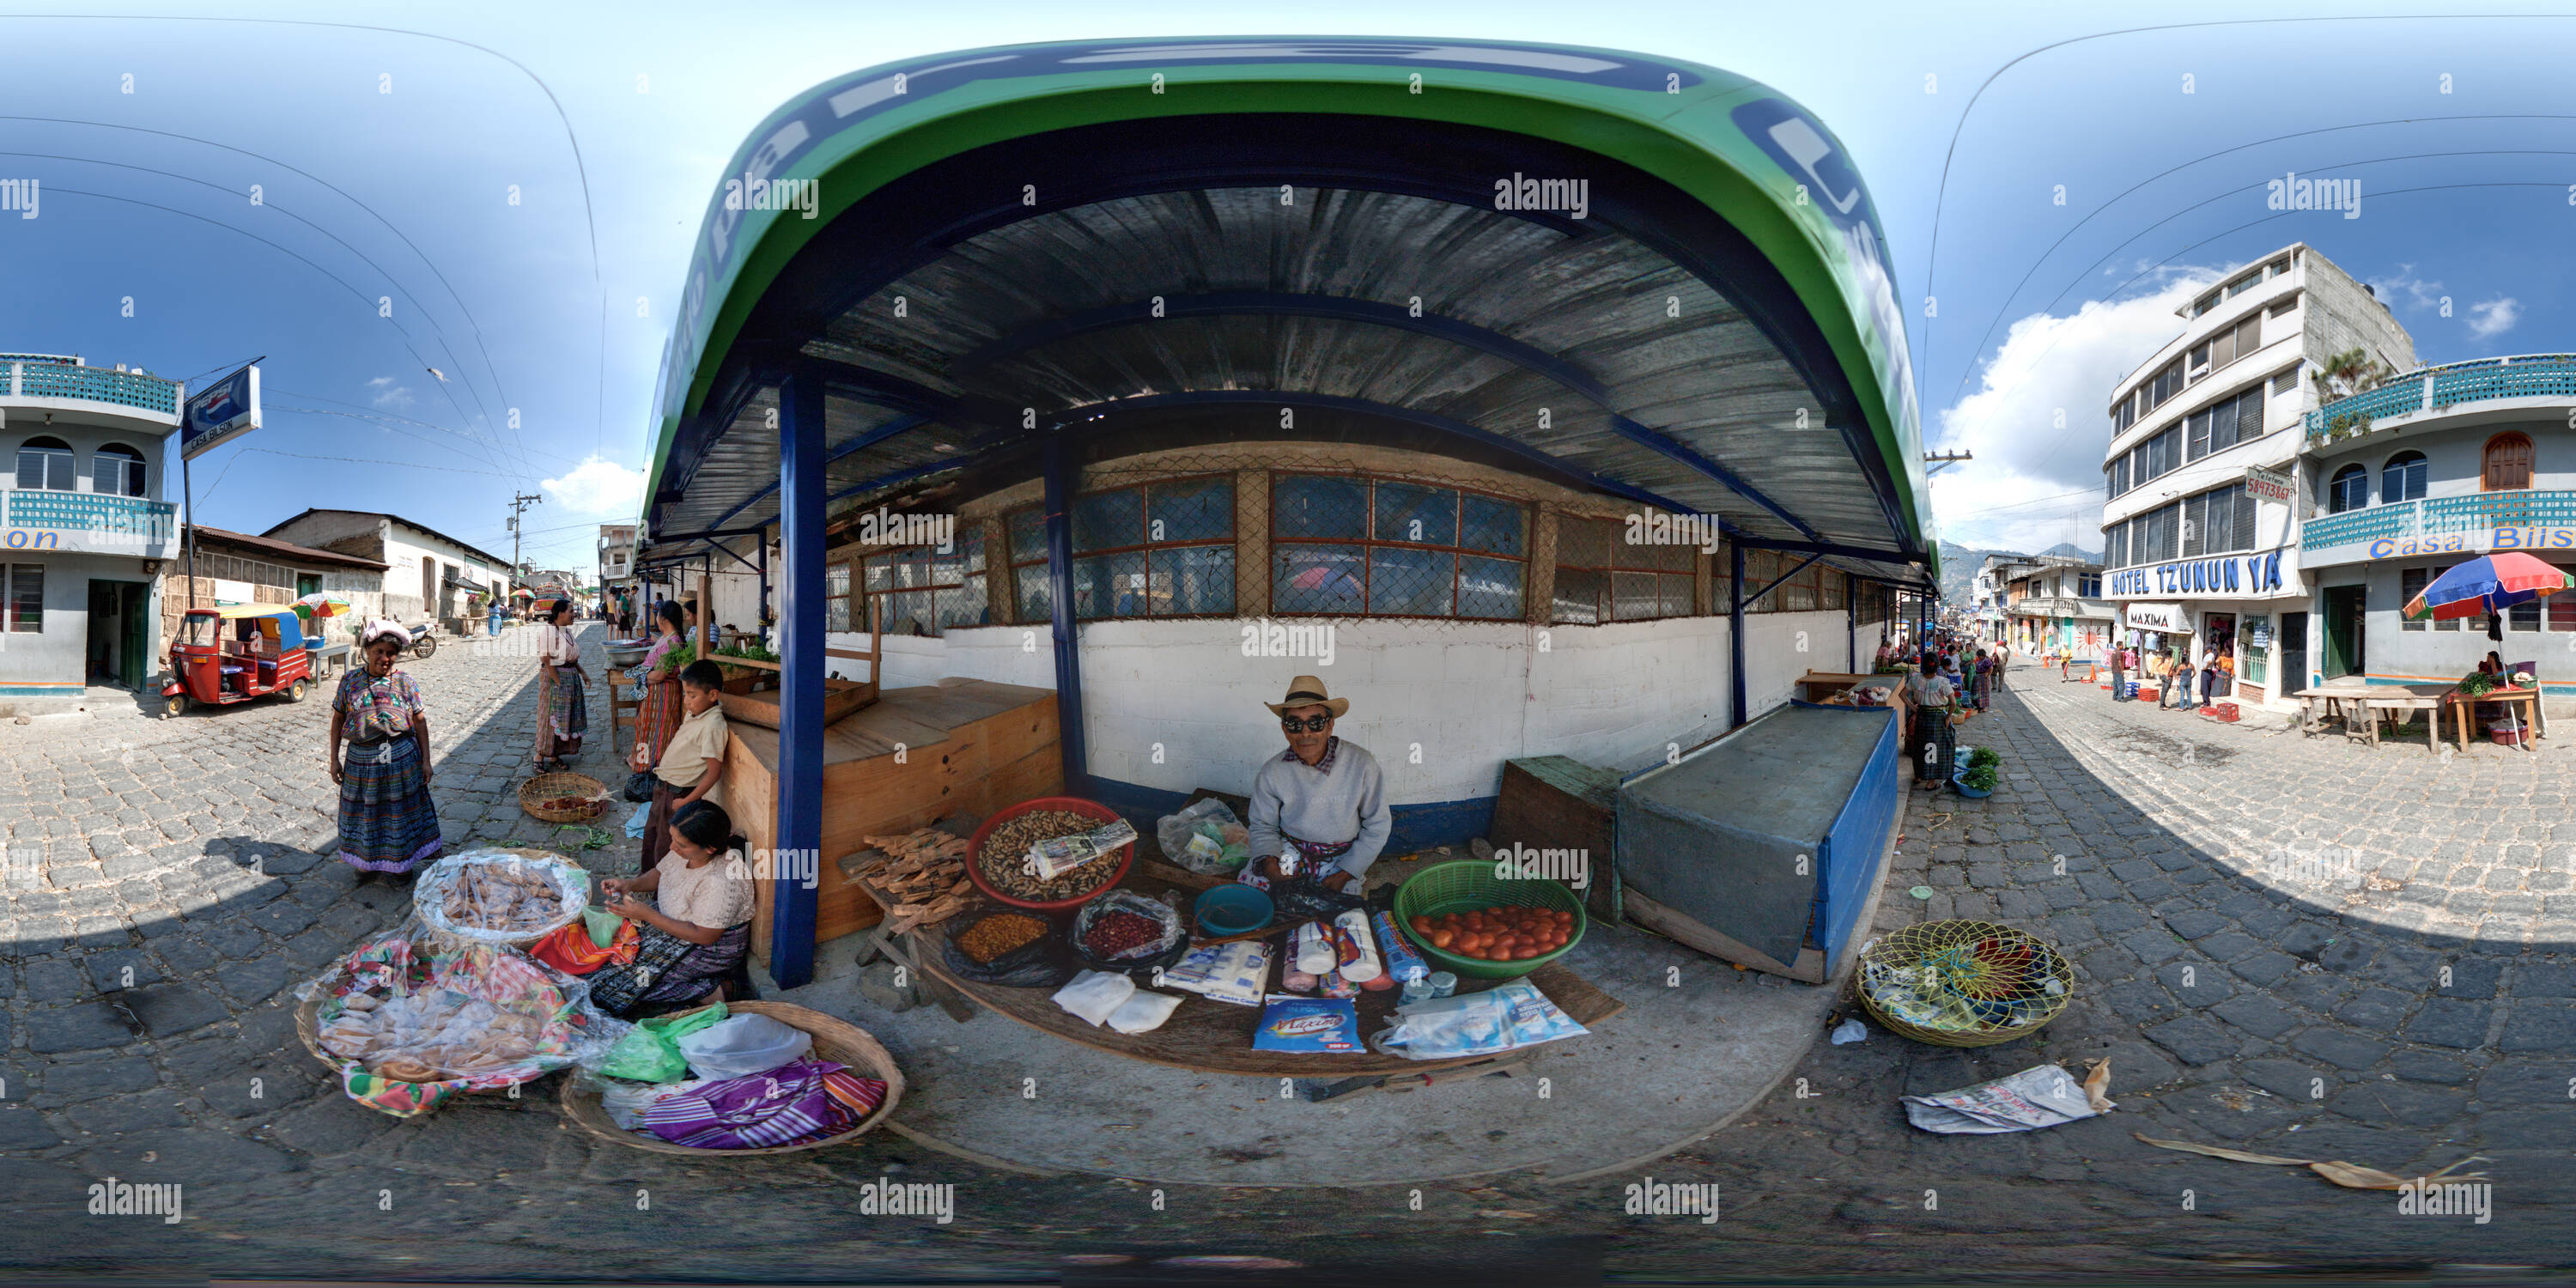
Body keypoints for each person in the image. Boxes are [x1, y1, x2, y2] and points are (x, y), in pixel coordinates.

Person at [592, 799, 756, 1018]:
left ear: (710, 848)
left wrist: (648, 915)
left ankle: (714, 991)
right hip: (670, 921)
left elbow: (706, 935)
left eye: (681, 844)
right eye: (673, 839)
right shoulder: (689, 849)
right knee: (608, 958)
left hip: (708, 948)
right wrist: (629, 885)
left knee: (624, 985)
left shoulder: (722, 881)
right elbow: (661, 873)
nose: (672, 847)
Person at [1244, 675, 1391, 894]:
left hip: (1343, 857)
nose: (1305, 733)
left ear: (1329, 726)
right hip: (1290, 849)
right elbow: (1263, 826)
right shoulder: (1271, 772)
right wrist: (1272, 869)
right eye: (1295, 724)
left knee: (1340, 915)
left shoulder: (1362, 764)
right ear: (1285, 729)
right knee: (1255, 893)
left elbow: (1378, 825)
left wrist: (1345, 873)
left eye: (1315, 723)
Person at [327, 620, 442, 879]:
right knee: (365, 814)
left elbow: (419, 721)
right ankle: (365, 863)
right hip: (361, 763)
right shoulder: (350, 681)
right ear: (367, 650)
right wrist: (334, 760)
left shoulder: (405, 682)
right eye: (379, 651)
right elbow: (337, 719)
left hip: (401, 761)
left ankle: (401, 863)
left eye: (391, 653)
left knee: (399, 813)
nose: (385, 658)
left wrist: (426, 761)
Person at [638, 659, 731, 868]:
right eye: (685, 693)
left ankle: (661, 895)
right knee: (651, 835)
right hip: (663, 788)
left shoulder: (713, 726)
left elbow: (714, 773)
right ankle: (646, 883)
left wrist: (688, 800)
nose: (686, 701)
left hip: (679, 795)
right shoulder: (696, 713)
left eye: (692, 695)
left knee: (667, 847)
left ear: (713, 695)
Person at [532, 599, 589, 773]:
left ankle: (555, 755)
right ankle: (539, 755)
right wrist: (558, 683)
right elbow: (547, 660)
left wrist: (583, 673)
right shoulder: (549, 632)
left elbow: (572, 657)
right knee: (549, 715)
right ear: (560, 613)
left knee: (564, 717)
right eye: (571, 611)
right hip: (554, 679)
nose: (574, 614)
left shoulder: (568, 632)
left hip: (570, 678)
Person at [1904, 656, 1957, 791]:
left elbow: (1902, 695)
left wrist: (1913, 708)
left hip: (1921, 716)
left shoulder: (1915, 679)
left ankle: (1918, 776)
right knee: (1933, 748)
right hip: (1937, 718)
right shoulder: (1942, 682)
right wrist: (1948, 718)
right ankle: (1931, 782)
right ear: (1937, 666)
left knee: (1919, 746)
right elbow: (1953, 703)